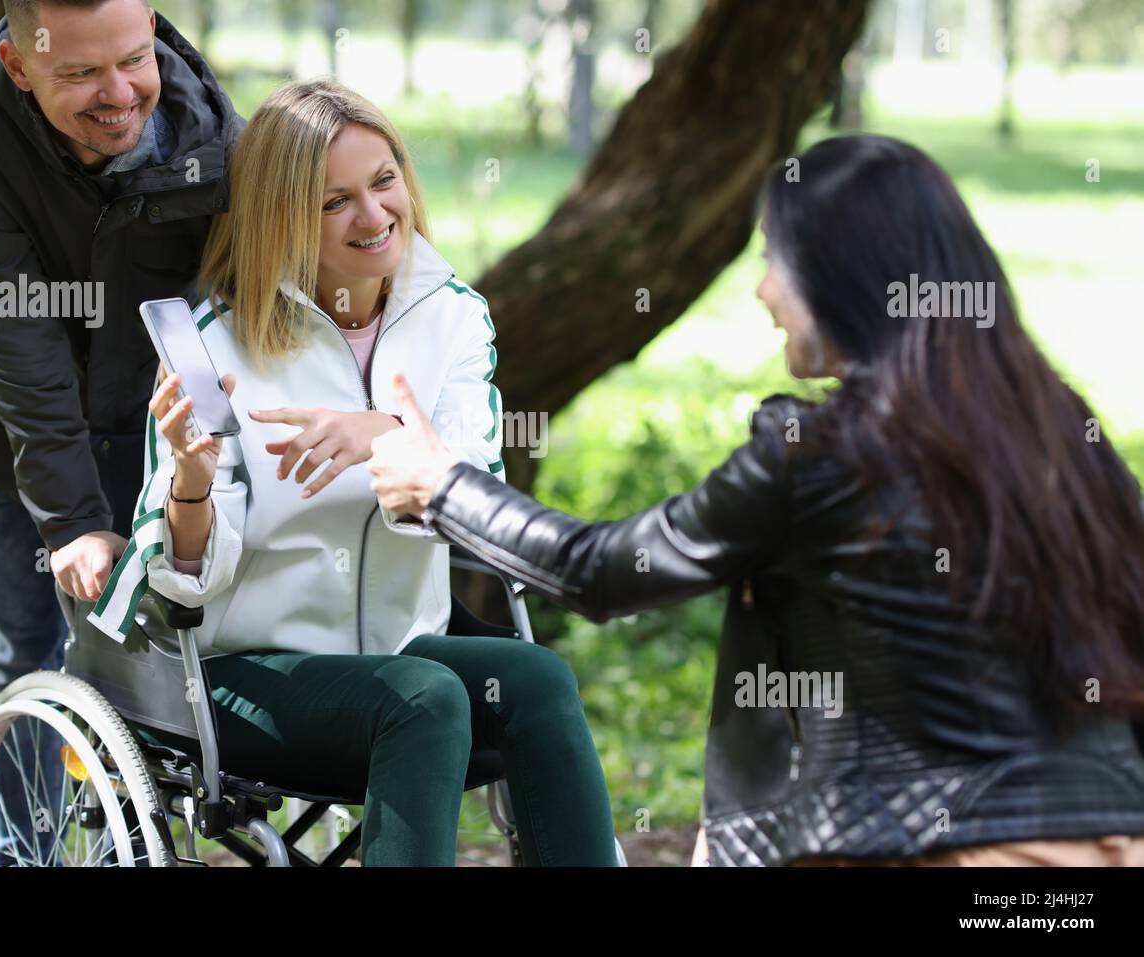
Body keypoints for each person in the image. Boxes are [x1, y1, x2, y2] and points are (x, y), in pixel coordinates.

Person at [367, 134, 1144, 866]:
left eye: (775, 258)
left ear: (840, 277)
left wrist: (441, 486)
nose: (764, 290)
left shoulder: (821, 453)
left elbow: (601, 568)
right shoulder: (1059, 431)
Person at [87, 79, 617, 866]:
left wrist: (384, 434)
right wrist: (190, 483)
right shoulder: (215, 345)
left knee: (533, 678)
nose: (374, 217)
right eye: (334, 202)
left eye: (384, 181)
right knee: (424, 697)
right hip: (247, 674)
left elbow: (477, 492)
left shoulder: (454, 317)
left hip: (403, 649)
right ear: (282, 219)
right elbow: (182, 583)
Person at [0, 0, 243, 863]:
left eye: (134, 59)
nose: (119, 93)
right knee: (25, 658)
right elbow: (11, 324)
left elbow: (270, 275)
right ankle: (15, 860)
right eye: (81, 74)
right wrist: (67, 518)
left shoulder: (209, 134)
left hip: (143, 436)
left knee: (142, 673)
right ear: (19, 67)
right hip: (2, 429)